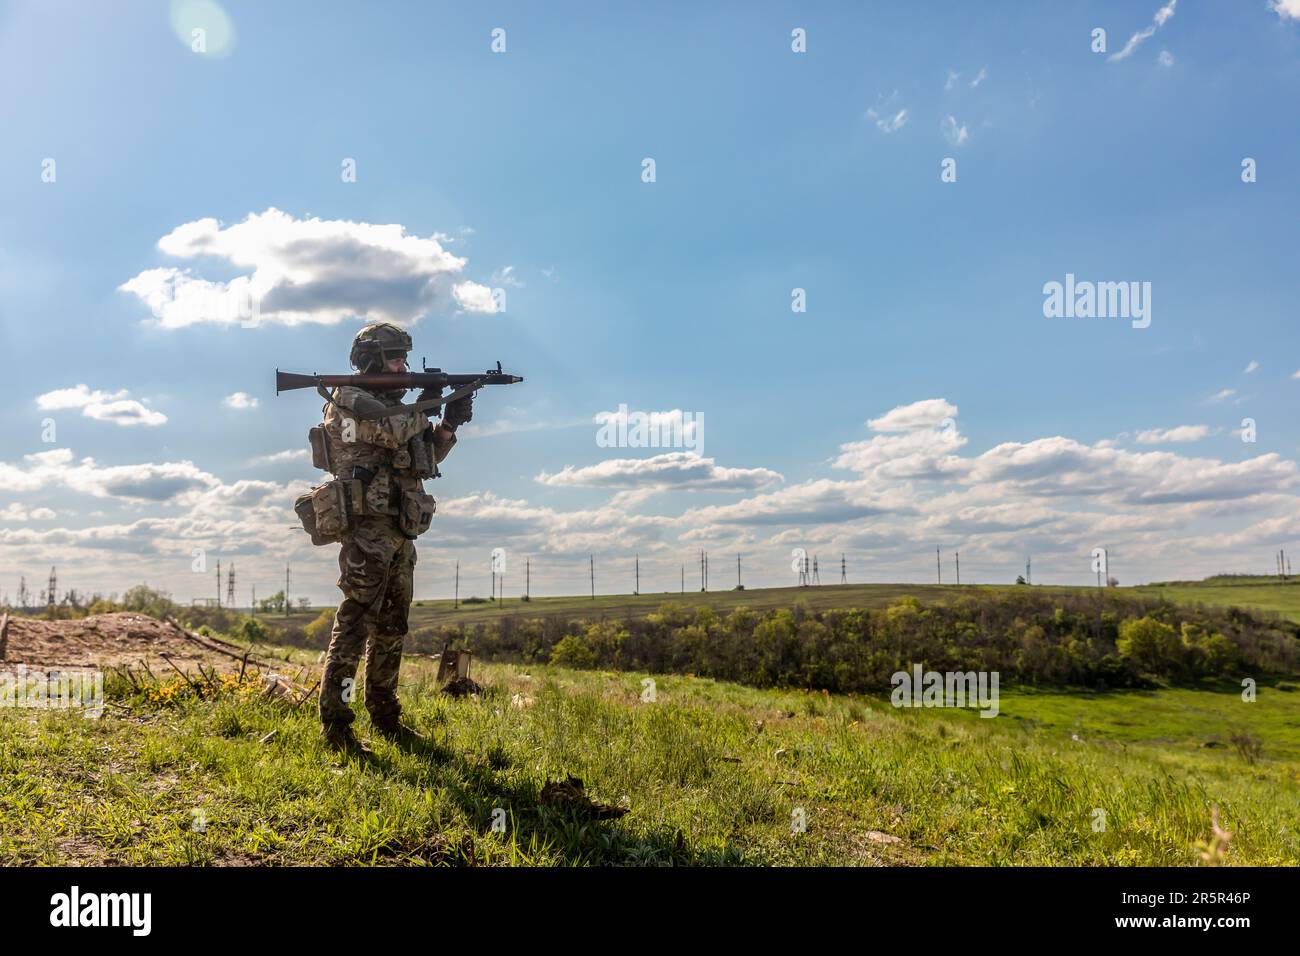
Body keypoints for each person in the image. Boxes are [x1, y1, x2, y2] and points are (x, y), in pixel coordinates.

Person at [316, 322, 472, 752]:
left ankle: (385, 714)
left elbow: (425, 457)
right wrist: (430, 399)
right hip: (367, 527)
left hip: (401, 527)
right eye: (394, 358)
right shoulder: (350, 400)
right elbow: (395, 430)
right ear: (369, 360)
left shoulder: (394, 408)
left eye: (405, 357)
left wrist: (448, 425)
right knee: (356, 622)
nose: (403, 366)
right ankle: (337, 723)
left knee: (393, 625)